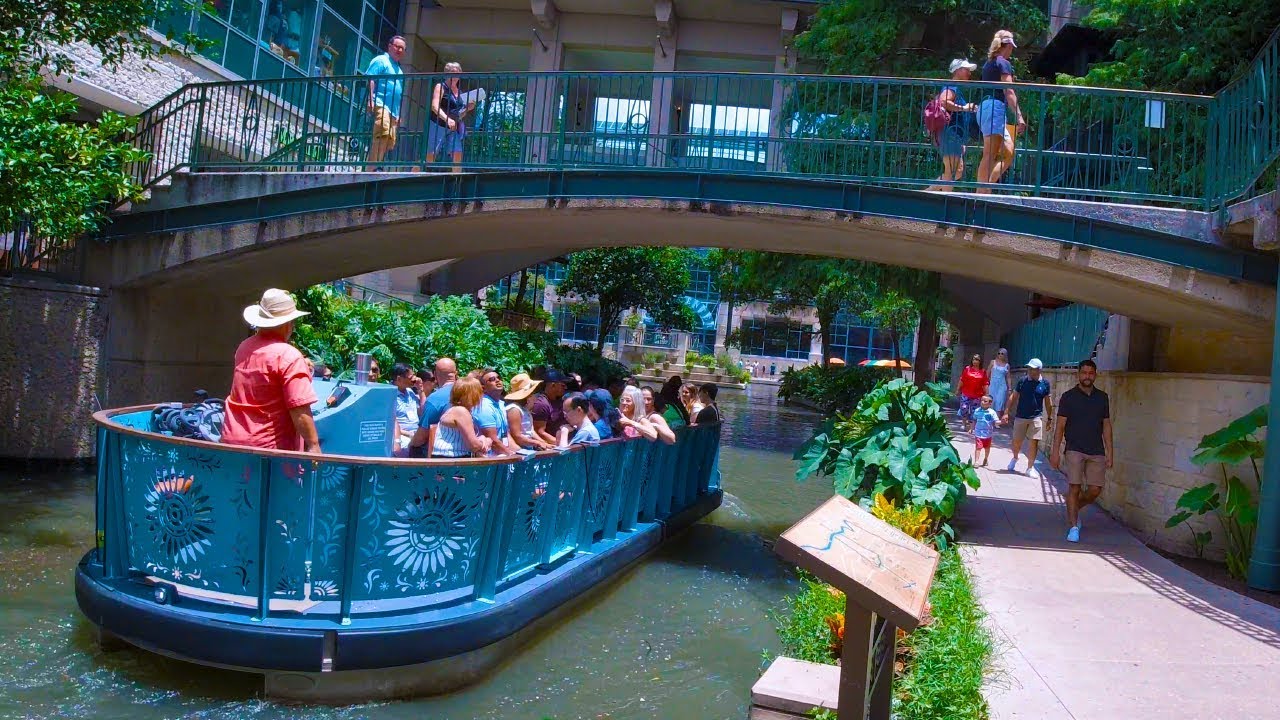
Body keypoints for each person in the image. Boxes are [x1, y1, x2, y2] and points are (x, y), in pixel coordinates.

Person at [222, 289, 320, 453]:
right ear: (288, 324)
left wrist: (299, 363)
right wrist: (314, 446)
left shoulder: (244, 347)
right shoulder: (289, 357)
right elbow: (299, 409)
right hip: (268, 453)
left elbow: (263, 375)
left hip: (232, 442)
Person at [1050, 359, 1113, 543]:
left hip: (1096, 449)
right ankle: (1073, 527)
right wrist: (1055, 452)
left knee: (1095, 490)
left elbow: (1107, 426)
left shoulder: (1102, 398)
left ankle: (1073, 507)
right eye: (1084, 373)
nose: (1087, 376)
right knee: (1074, 486)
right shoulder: (1068, 397)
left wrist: (1110, 452)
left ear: (1095, 375)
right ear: (1078, 374)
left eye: (1090, 373)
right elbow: (1060, 426)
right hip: (1074, 448)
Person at [976, 30, 1026, 194]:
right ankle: (980, 195)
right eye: (1011, 48)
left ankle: (987, 186)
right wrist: (1019, 115)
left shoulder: (989, 63)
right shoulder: (1003, 63)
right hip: (994, 108)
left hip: (988, 108)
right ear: (1008, 46)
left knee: (1008, 151)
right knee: (990, 154)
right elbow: (1008, 90)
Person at [927, 59, 978, 192]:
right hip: (950, 134)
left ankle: (926, 194)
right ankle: (944, 205)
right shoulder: (951, 87)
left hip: (953, 135)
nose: (969, 73)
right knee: (952, 171)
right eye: (966, 69)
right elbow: (944, 101)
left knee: (957, 171)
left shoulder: (955, 88)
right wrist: (965, 108)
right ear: (957, 70)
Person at [1003, 358, 1053, 476]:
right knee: (1016, 442)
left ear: (1039, 370)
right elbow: (1013, 397)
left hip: (1036, 417)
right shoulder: (1022, 381)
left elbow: (1048, 401)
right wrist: (1006, 411)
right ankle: (1015, 458)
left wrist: (1049, 418)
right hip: (1021, 416)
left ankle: (1030, 468)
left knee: (1034, 442)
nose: (1030, 370)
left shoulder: (1045, 384)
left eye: (1033, 368)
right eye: (1029, 368)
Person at [364, 36, 406, 169]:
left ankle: (374, 166)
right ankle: (370, 169)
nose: (399, 50)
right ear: (389, 46)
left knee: (389, 141)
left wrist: (398, 114)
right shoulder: (381, 60)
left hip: (393, 111)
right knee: (382, 133)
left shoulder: (399, 70)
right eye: (397, 46)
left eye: (402, 48)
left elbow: (398, 94)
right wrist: (370, 100)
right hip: (380, 104)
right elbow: (370, 78)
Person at [426, 61, 476, 172]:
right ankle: (412, 175)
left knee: (457, 154)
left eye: (458, 73)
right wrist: (447, 119)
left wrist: (468, 108)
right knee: (430, 156)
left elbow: (459, 114)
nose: (455, 76)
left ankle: (457, 182)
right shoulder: (441, 86)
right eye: (452, 72)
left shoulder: (460, 92)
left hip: (453, 128)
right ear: (447, 73)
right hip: (438, 124)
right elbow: (434, 106)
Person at [431, 377, 492, 458]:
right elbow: (473, 446)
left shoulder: (454, 410)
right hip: (451, 460)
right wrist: (487, 442)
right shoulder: (461, 412)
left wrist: (481, 438)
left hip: (446, 459)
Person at [409, 357, 459, 456]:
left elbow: (421, 438)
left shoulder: (435, 399)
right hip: (467, 454)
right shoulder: (468, 393)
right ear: (456, 373)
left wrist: (410, 444)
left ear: (435, 375)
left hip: (440, 457)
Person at [504, 373, 551, 451]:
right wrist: (537, 443)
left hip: (529, 446)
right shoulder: (514, 409)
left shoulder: (524, 409)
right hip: (519, 449)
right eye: (531, 393)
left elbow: (531, 432)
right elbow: (517, 436)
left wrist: (544, 443)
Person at [475, 368, 515, 455]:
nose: (497, 380)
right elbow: (493, 441)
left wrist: (519, 452)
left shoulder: (500, 404)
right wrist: (512, 455)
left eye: (498, 378)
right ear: (483, 388)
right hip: (490, 460)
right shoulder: (484, 406)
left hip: (502, 455)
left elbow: (505, 434)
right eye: (492, 379)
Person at [530, 369, 568, 444]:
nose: (565, 387)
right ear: (553, 385)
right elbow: (539, 432)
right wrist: (560, 444)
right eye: (562, 385)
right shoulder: (542, 404)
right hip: (551, 447)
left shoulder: (559, 400)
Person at [390, 363, 419, 455]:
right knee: (409, 446)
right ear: (399, 379)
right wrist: (408, 434)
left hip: (416, 432)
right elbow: (390, 422)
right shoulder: (390, 395)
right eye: (410, 378)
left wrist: (421, 390)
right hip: (401, 435)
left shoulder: (410, 392)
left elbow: (422, 411)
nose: (414, 380)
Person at [958, 354, 988, 432]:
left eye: (977, 359)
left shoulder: (983, 371)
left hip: (977, 395)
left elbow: (985, 383)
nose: (975, 361)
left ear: (980, 361)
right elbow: (962, 380)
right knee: (964, 408)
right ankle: (964, 423)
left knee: (974, 411)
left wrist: (987, 394)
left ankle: (972, 428)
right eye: (974, 359)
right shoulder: (967, 369)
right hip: (966, 393)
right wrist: (958, 389)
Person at [971, 395, 1001, 467]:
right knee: (978, 447)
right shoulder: (977, 410)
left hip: (988, 434)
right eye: (981, 400)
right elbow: (974, 420)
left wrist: (1001, 422)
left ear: (990, 404)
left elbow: (996, 421)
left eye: (985, 401)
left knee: (987, 448)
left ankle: (986, 458)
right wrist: (971, 428)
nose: (982, 402)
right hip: (978, 433)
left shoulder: (992, 412)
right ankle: (976, 461)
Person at [986, 348, 1011, 415]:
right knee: (991, 401)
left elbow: (1008, 377)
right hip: (992, 384)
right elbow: (987, 374)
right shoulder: (992, 362)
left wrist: (1010, 388)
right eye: (999, 353)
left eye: (1002, 353)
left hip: (1002, 386)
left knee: (1000, 401)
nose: (1000, 355)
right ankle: (989, 419)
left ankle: (996, 421)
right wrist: (986, 384)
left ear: (1005, 355)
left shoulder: (1007, 365)